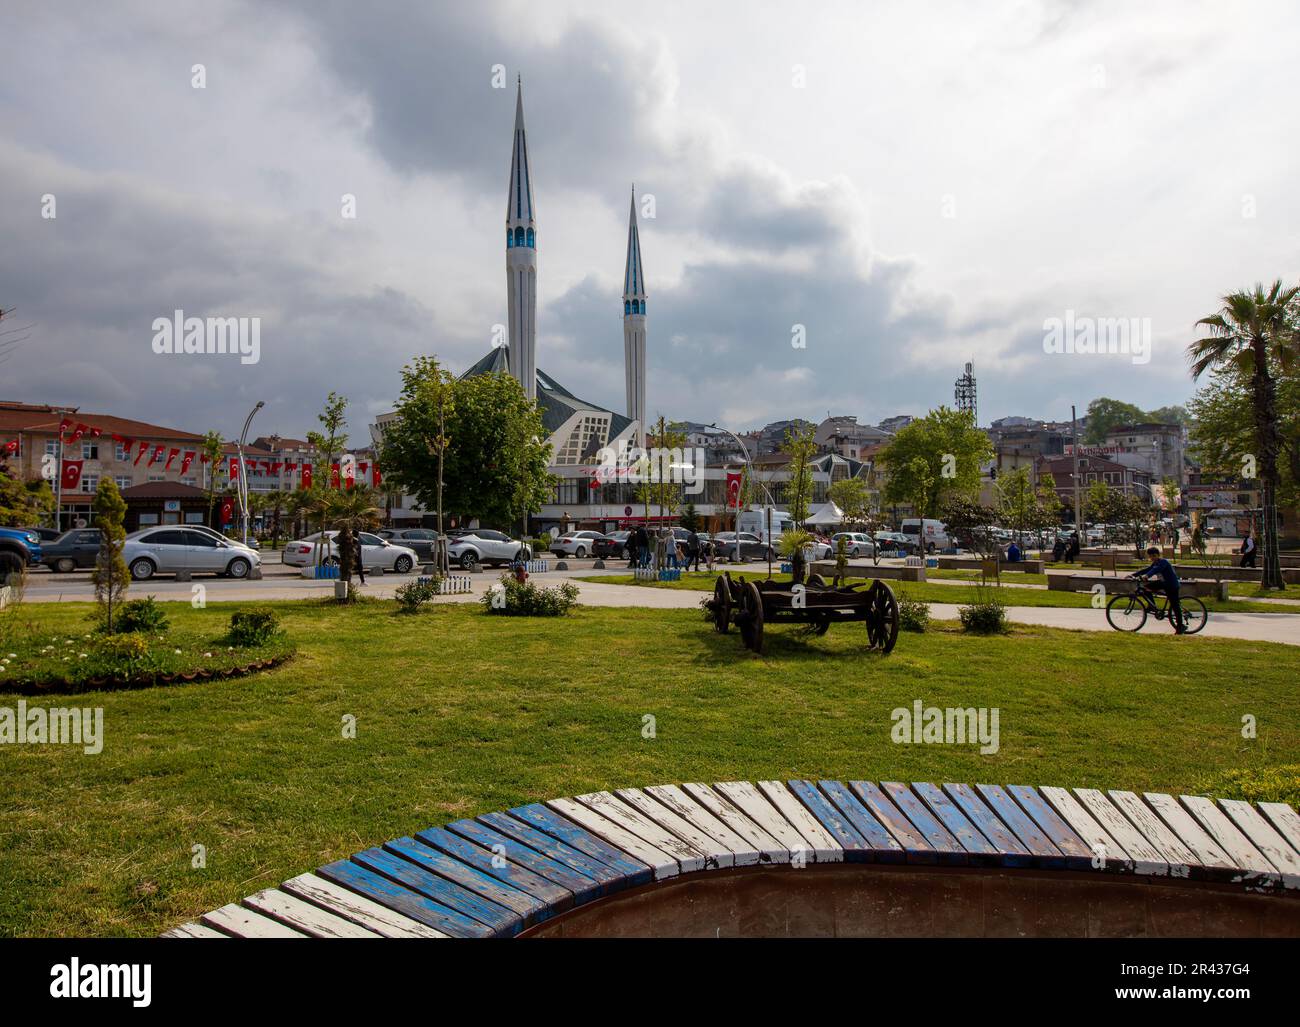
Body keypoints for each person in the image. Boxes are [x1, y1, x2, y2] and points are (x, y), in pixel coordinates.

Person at [1132, 545, 1184, 633]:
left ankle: (1180, 626)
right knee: (1145, 589)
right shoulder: (1155, 563)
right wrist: (1134, 575)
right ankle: (1152, 606)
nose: (1152, 558)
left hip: (1172, 585)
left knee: (1175, 605)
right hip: (1163, 583)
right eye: (1151, 556)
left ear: (1158, 555)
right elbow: (1148, 569)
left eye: (1154, 556)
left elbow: (1155, 570)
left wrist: (1147, 575)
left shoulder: (1163, 562)